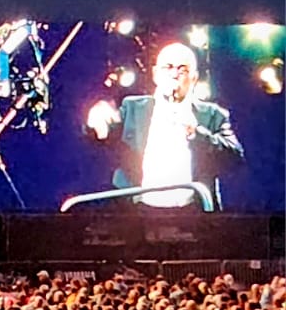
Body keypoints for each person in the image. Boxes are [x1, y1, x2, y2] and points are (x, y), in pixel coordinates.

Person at [86, 41, 244, 208]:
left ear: (194, 78)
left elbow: (234, 158)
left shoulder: (212, 114)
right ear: (155, 74)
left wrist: (196, 132)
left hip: (191, 211)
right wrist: (96, 124)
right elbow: (103, 135)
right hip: (139, 211)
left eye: (182, 70)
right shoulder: (133, 107)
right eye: (167, 68)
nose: (174, 75)